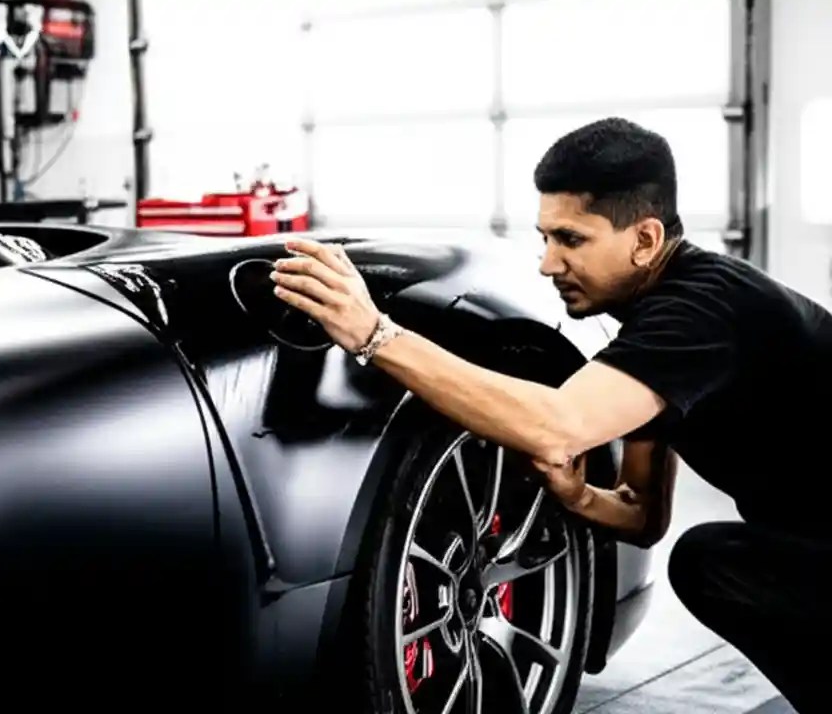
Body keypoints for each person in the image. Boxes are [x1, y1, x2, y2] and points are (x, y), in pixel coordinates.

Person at [270, 116, 832, 713]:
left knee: (716, 563)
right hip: (806, 538)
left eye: (571, 240)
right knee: (709, 563)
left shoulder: (702, 310)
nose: (547, 264)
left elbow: (556, 422)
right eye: (545, 238)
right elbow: (643, 515)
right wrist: (580, 496)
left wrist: (374, 334)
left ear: (644, 240)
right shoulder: (653, 326)